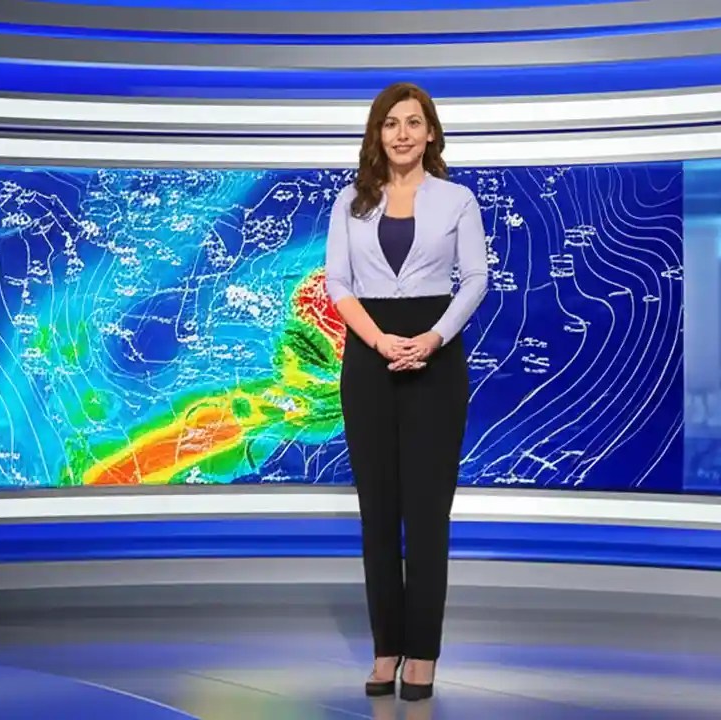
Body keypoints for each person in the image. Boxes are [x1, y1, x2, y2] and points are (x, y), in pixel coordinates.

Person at [324, 81, 488, 701]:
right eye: (391, 123)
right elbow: (340, 284)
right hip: (369, 361)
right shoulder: (350, 203)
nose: (402, 133)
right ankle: (384, 649)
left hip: (435, 363)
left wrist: (432, 338)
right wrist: (381, 342)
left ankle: (421, 654)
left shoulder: (457, 200)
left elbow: (474, 279)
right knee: (377, 517)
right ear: (378, 133)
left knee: (425, 518)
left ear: (430, 133)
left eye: (413, 123)